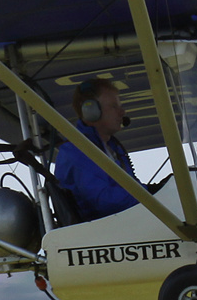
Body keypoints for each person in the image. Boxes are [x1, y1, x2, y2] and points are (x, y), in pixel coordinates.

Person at [53, 78, 143, 222]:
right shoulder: (76, 151)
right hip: (103, 229)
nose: (122, 112)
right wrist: (150, 197)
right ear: (91, 111)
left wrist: (158, 190)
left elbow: (129, 190)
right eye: (114, 106)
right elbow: (105, 201)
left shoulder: (111, 147)